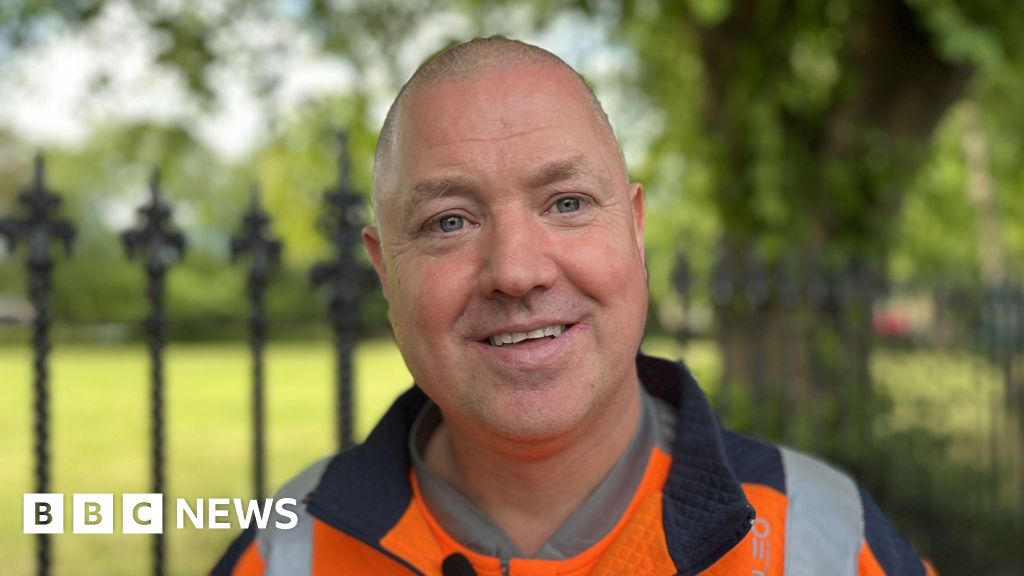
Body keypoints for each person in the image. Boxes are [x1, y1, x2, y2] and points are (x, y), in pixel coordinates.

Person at [212, 36, 934, 576]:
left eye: (566, 203)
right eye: (450, 222)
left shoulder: (823, 539)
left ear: (637, 229)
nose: (517, 272)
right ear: (383, 270)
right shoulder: (288, 549)